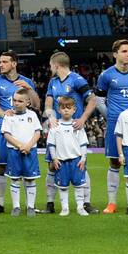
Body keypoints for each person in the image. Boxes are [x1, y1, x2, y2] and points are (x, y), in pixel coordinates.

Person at [96, 39, 128, 213]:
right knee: (114, 162)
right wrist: (112, 117)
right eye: (124, 51)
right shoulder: (106, 75)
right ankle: (112, 203)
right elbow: (99, 100)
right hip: (115, 125)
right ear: (115, 54)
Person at [43, 52, 98, 211]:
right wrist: (50, 116)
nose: (49, 68)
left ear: (56, 65)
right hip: (57, 128)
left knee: (81, 165)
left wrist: (83, 118)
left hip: (74, 129)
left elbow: (92, 100)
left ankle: (86, 203)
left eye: (50, 65)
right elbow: (48, 102)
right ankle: (50, 203)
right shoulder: (52, 82)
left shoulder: (76, 79)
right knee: (53, 166)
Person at [0, 51, 39, 212]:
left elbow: (36, 105)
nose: (1, 64)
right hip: (6, 128)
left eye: (4, 61)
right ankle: (0, 204)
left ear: (14, 63)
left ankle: (30, 205)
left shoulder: (27, 82)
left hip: (25, 130)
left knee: (26, 168)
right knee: (1, 166)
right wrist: (6, 115)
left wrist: (30, 89)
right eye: (0, 61)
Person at [2, 89, 43, 216]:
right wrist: (20, 146)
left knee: (30, 179)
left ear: (28, 102)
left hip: (30, 151)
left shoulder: (32, 115)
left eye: (20, 101)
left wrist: (29, 146)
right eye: (14, 100)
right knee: (15, 179)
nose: (16, 103)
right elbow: (6, 134)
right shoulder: (9, 116)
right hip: (14, 151)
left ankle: (30, 206)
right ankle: (16, 207)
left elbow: (37, 132)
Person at [47, 96, 90, 216]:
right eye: (63, 107)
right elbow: (51, 145)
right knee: (63, 186)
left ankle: (80, 207)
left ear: (74, 110)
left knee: (79, 185)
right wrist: (54, 158)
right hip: (61, 161)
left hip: (76, 161)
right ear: (59, 110)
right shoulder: (55, 126)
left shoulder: (77, 125)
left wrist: (83, 159)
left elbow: (83, 144)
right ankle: (64, 208)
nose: (66, 110)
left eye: (69, 108)